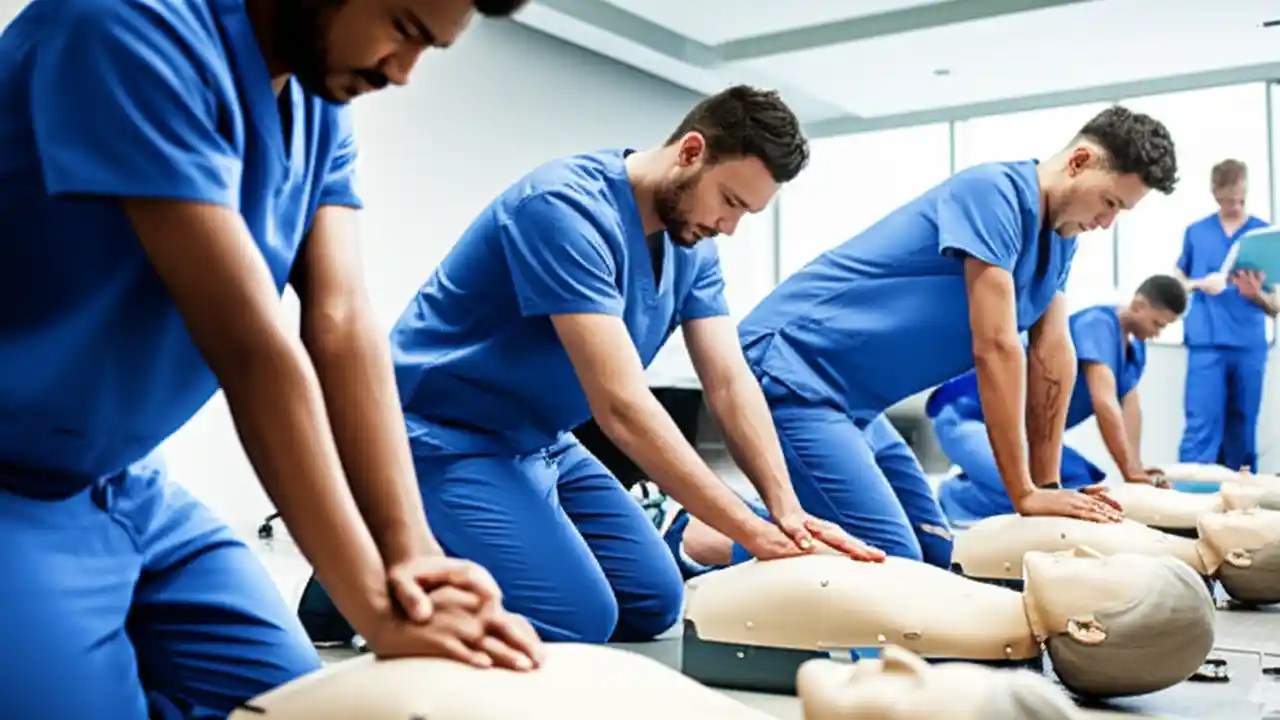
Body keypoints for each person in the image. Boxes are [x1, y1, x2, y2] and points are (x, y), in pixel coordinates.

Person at [0, 0, 542, 717]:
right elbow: (251, 345)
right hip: (13, 485)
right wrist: (370, 603)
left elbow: (341, 323)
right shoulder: (122, 25)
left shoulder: (319, 107)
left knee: (307, 704)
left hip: (126, 483)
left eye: (429, 49)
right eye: (403, 29)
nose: (404, 72)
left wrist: (413, 555)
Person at [388, 85, 882, 645]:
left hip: (542, 441)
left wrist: (786, 511)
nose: (729, 226)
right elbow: (620, 406)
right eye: (730, 201)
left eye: (746, 213)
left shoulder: (691, 245)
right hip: (442, 435)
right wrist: (750, 530)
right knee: (578, 620)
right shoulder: (562, 208)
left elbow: (728, 381)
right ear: (691, 151)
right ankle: (385, 567)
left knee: (652, 602)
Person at [732, 105, 1179, 567]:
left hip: (853, 404)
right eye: (1109, 202)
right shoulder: (994, 193)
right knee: (891, 559)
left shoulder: (1060, 239)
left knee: (935, 551)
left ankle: (727, 536)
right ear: (1079, 161)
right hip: (790, 370)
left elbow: (1051, 352)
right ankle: (714, 538)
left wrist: (1047, 487)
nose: (1107, 222)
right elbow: (997, 346)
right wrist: (1023, 492)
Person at [930, 275, 1189, 526]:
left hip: (1023, 434)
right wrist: (1129, 471)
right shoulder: (1098, 324)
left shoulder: (1135, 349)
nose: (1157, 333)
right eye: (1158, 324)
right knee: (1020, 492)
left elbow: (1130, 407)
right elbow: (1104, 402)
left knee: (1081, 485)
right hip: (966, 415)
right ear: (1139, 305)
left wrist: (1137, 470)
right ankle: (950, 495)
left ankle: (979, 480)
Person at [1175, 159, 1274, 473]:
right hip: (1206, 343)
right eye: (1227, 200)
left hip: (1248, 345)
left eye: (1240, 199)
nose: (1234, 206)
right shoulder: (1196, 232)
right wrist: (1200, 283)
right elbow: (1176, 283)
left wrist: (1255, 295)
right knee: (1201, 429)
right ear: (1214, 192)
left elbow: (1276, 304)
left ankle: (1243, 498)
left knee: (1242, 431)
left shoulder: (1262, 235)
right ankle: (1189, 498)